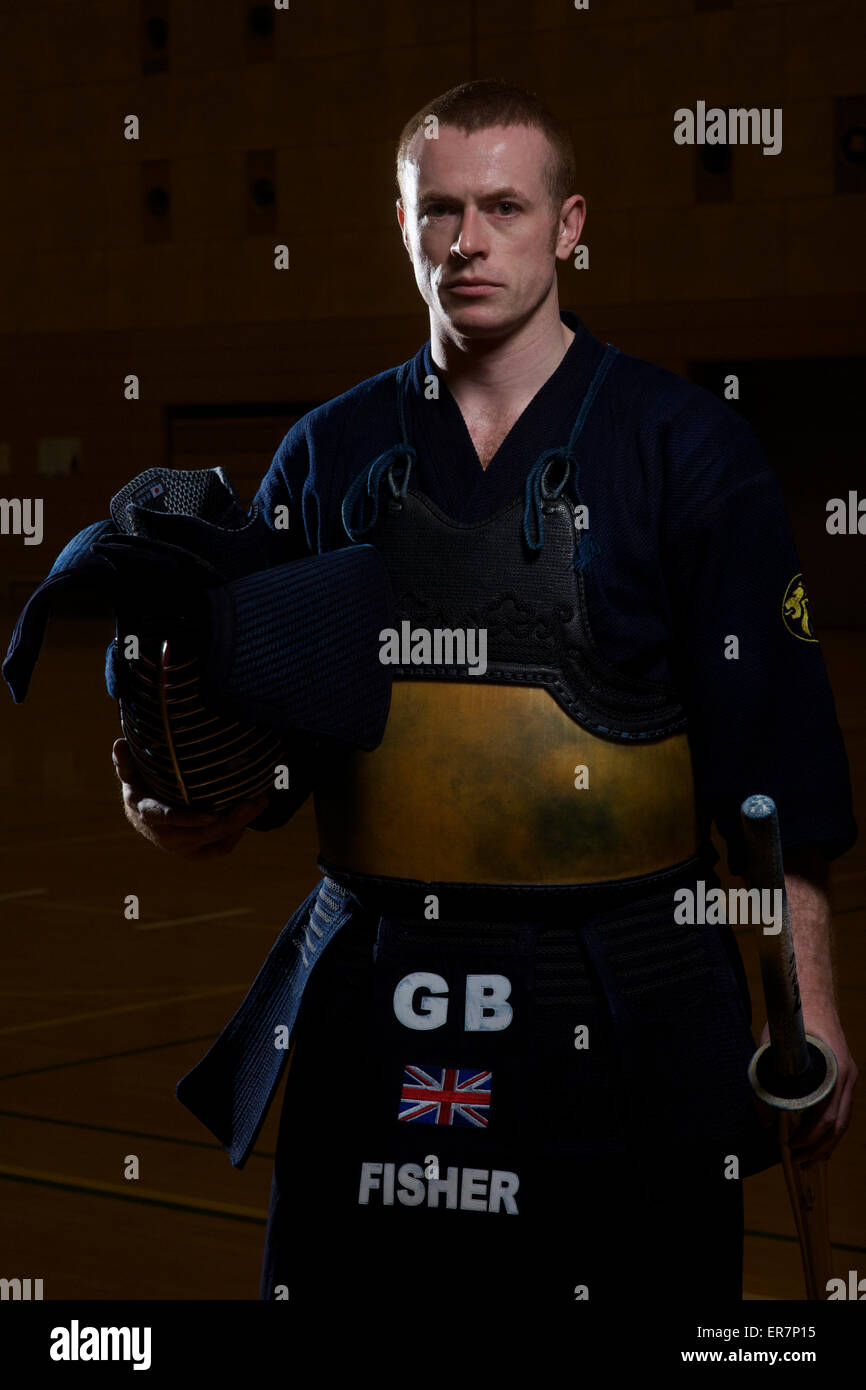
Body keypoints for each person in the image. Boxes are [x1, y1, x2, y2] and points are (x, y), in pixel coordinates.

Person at [110, 80, 858, 1310]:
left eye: (503, 208)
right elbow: (252, 767)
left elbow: (766, 772)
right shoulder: (327, 454)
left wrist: (808, 1007)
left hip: (631, 983)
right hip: (376, 974)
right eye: (440, 211)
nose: (467, 241)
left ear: (568, 227)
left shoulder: (685, 449)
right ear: (401, 227)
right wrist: (174, 803)